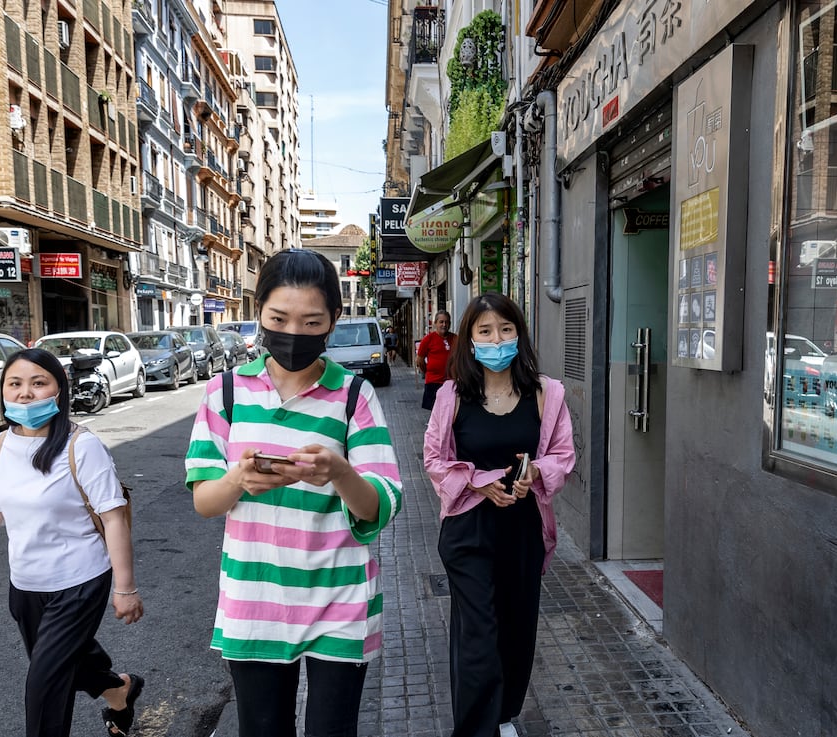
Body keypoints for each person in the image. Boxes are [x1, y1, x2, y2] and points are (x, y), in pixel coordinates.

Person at [185, 248, 403, 737]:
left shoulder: (354, 395)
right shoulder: (225, 392)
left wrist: (340, 473)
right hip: (254, 596)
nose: (294, 334)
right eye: (279, 318)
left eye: (311, 322)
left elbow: (382, 505)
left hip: (340, 598)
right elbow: (204, 501)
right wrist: (238, 479)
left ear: (332, 321)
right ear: (258, 311)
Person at [0, 347, 144, 737]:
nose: (25, 393)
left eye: (38, 383)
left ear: (58, 391)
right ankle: (119, 690)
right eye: (15, 384)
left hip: (79, 581)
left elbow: (113, 518)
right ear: (4, 391)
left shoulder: (82, 447)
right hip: (26, 586)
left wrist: (125, 588)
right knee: (68, 662)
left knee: (44, 684)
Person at [422, 293, 576, 737]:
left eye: (506, 330)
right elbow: (434, 458)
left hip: (522, 530)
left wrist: (537, 474)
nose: (497, 340)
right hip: (468, 530)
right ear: (469, 340)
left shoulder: (546, 393)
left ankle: (503, 714)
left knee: (516, 629)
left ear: (519, 334)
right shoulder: (452, 395)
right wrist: (476, 480)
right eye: (485, 331)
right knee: (478, 635)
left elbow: (562, 454)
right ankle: (476, 729)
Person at [416, 310, 454, 410]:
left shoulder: (455, 338)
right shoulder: (428, 339)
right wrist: (428, 371)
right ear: (435, 323)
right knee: (435, 412)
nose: (444, 325)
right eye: (441, 322)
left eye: (447, 322)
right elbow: (420, 360)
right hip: (434, 382)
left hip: (451, 382)